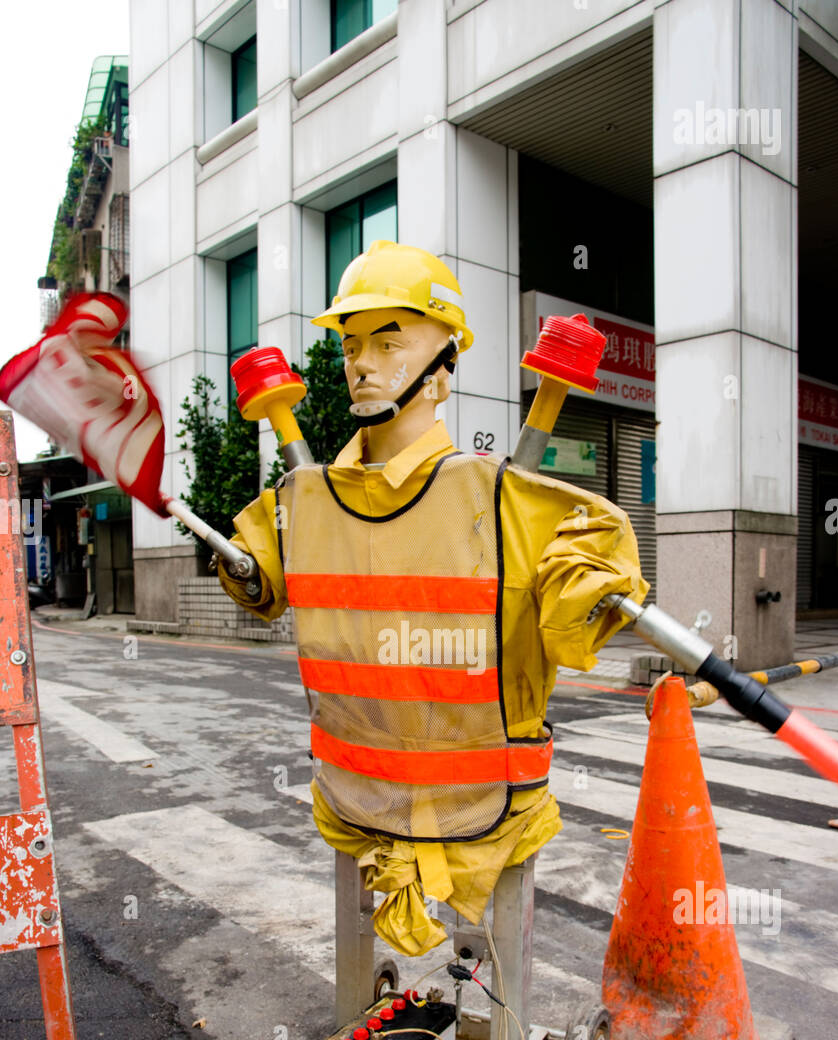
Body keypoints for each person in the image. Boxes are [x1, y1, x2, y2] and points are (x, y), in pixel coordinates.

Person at [219, 241, 648, 956]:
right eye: (351, 344)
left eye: (390, 342)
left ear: (444, 368)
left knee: (497, 979)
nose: (361, 362)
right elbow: (258, 586)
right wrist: (241, 564)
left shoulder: (503, 494)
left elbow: (582, 599)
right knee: (360, 982)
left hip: (486, 804)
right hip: (354, 793)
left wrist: (588, 585)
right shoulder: (303, 497)